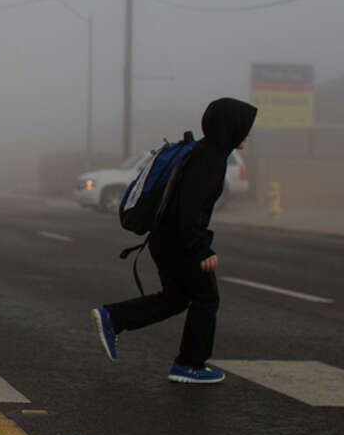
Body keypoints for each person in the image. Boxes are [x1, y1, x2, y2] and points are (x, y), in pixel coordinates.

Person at [91, 97, 257, 383]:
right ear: (230, 126)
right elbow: (189, 209)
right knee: (206, 298)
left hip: (166, 239)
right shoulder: (210, 159)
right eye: (245, 126)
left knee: (176, 298)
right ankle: (189, 365)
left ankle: (114, 318)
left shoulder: (202, 152)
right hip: (179, 241)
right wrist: (201, 248)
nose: (248, 133)